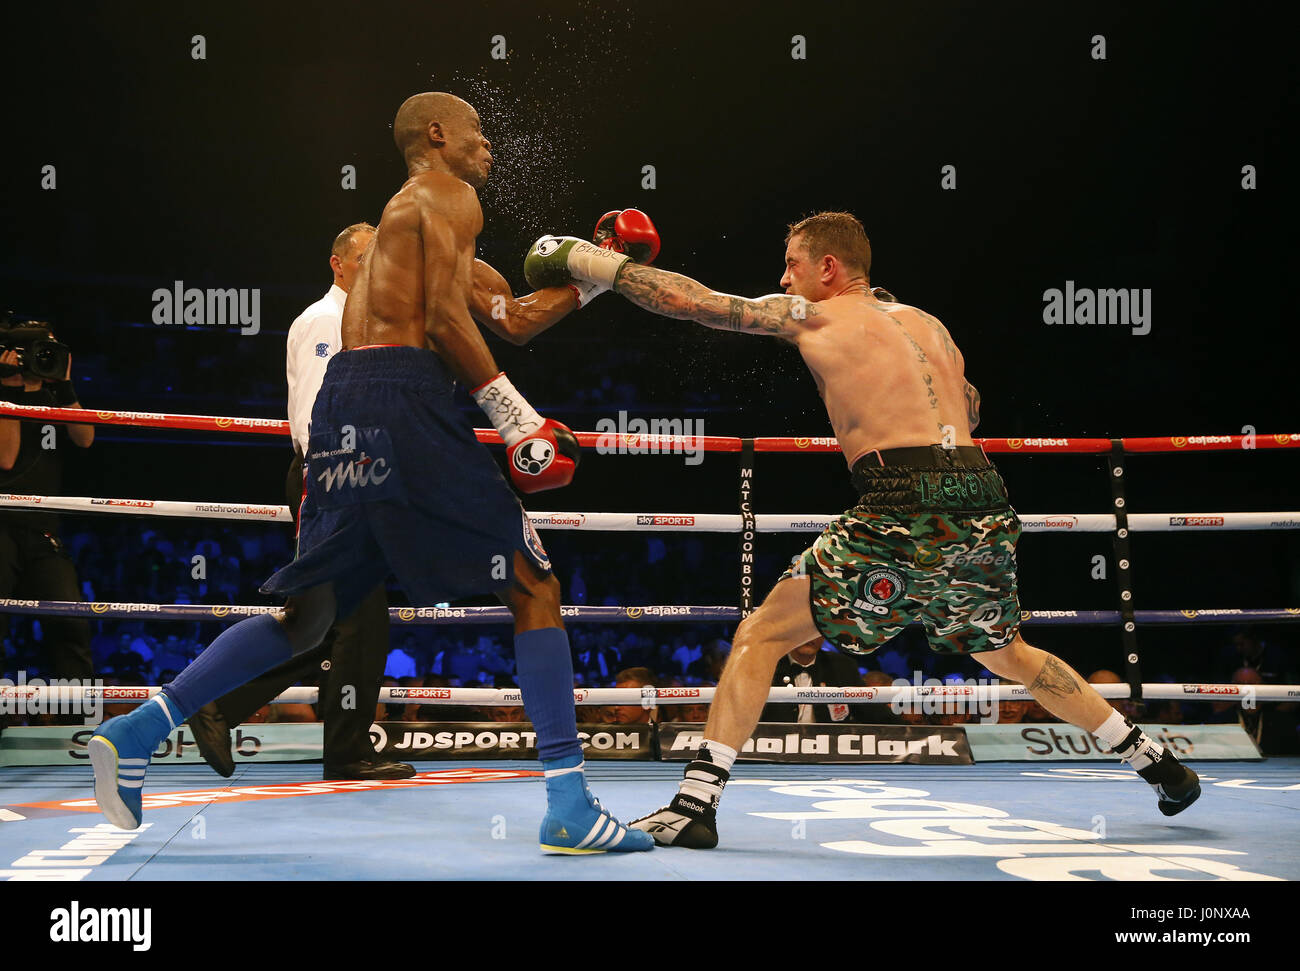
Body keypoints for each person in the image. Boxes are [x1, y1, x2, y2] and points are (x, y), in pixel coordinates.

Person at [89, 92, 654, 854]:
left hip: (349, 404)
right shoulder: (445, 194)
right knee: (532, 581)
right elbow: (449, 325)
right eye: (477, 134)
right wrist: (515, 417)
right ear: (436, 136)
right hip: (403, 394)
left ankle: (136, 730)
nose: (489, 149)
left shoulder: (419, 222)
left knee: (310, 618)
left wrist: (598, 276)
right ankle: (568, 803)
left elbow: (512, 316)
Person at [527, 210, 1201, 848]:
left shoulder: (812, 312)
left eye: (791, 265)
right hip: (982, 495)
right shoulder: (928, 323)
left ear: (827, 266)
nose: (784, 279)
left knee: (761, 634)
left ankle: (694, 807)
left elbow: (696, 302)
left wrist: (595, 262)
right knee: (1008, 652)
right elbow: (968, 405)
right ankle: (1160, 765)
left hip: (902, 497)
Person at [185, 222, 415, 781]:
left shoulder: (373, 323)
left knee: (343, 624)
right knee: (353, 623)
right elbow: (318, 416)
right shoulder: (324, 319)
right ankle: (341, 751)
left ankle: (224, 702)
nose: (379, 268)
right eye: (367, 258)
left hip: (361, 475)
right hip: (334, 476)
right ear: (338, 264)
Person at [0, 325, 95, 703]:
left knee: (70, 620)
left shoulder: (57, 397)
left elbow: (85, 437)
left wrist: (67, 386)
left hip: (42, 531)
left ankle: (78, 721)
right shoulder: (1, 395)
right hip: (2, 525)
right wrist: (8, 389)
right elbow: (6, 458)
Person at [762, 635, 870, 724]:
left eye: (815, 632)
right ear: (791, 632)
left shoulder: (842, 666)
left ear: (824, 635)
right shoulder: (765, 665)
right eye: (803, 630)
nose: (809, 637)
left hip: (829, 746)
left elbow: (872, 713)